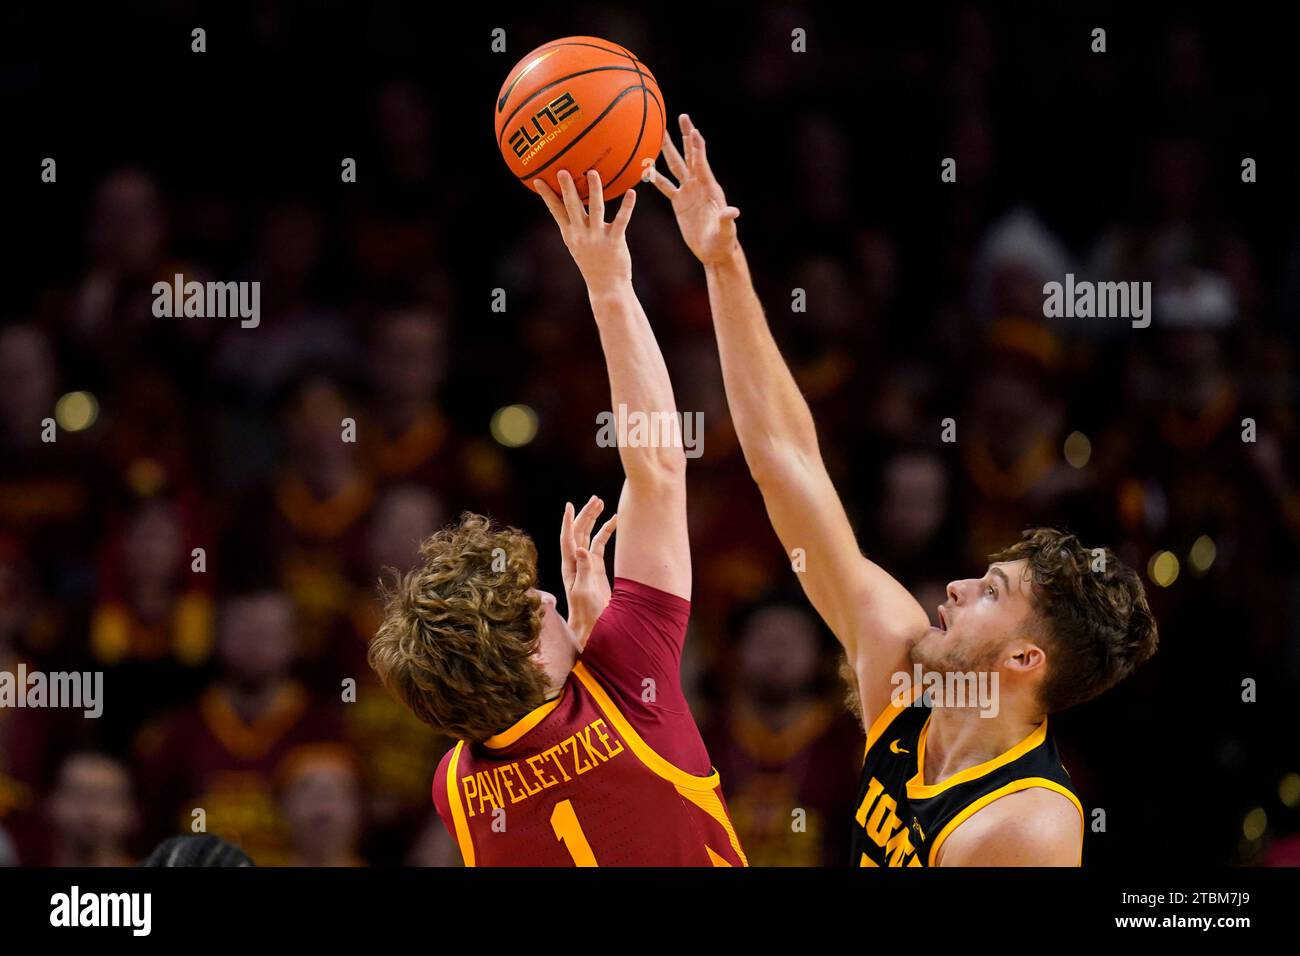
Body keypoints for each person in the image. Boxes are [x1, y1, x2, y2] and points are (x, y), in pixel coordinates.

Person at [652, 114, 1158, 866]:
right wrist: (723, 263)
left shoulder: (1027, 828)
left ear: (1023, 661)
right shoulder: (903, 665)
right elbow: (786, 463)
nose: (953, 588)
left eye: (990, 591)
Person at [369, 170, 746, 867]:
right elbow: (658, 466)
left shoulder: (455, 788)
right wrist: (608, 284)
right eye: (529, 610)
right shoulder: (631, 686)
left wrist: (595, 644)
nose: (547, 596)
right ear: (532, 657)